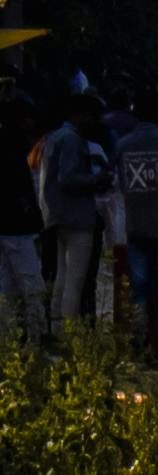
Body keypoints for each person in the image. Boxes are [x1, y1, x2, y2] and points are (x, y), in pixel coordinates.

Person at [102, 98, 158, 357]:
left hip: (135, 225)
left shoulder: (122, 145)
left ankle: (139, 345)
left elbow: (114, 180)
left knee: (139, 288)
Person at [33, 96, 107, 330]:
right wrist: (97, 179)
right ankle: (70, 332)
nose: (95, 122)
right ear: (81, 115)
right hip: (76, 217)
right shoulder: (73, 140)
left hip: (56, 215)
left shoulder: (53, 138)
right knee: (75, 279)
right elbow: (68, 178)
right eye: (92, 117)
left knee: (62, 278)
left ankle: (56, 328)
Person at [0, 103, 41, 340]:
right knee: (31, 284)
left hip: (6, 224)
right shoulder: (13, 149)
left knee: (6, 285)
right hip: (18, 226)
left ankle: (7, 338)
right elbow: (21, 186)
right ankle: (35, 335)